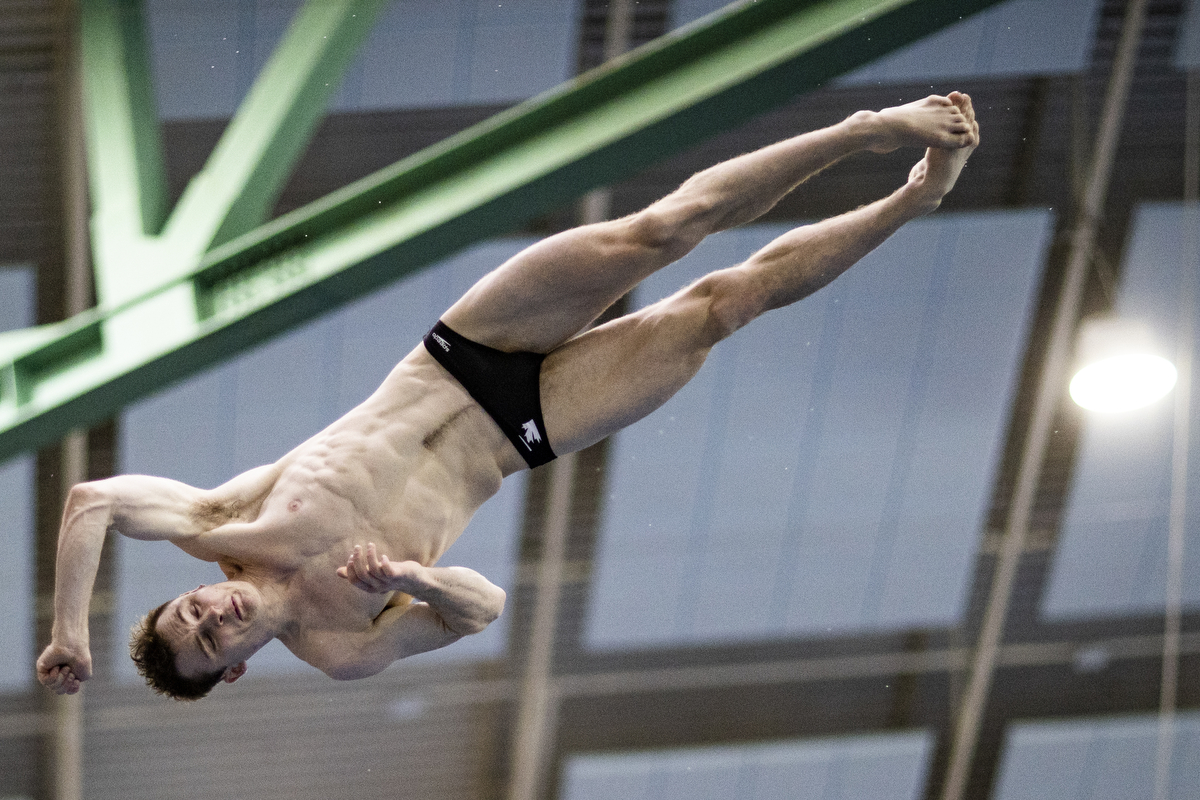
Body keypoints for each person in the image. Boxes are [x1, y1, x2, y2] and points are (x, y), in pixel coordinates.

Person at [36, 92, 979, 700]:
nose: (210, 616)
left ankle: (868, 130)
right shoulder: (343, 647)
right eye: (206, 642)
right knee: (724, 306)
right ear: (235, 669)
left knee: (662, 231)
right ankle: (910, 200)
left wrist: (69, 632)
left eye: (191, 608)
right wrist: (408, 581)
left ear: (198, 588)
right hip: (525, 432)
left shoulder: (221, 523)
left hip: (462, 351)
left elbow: (94, 503)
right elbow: (481, 609)